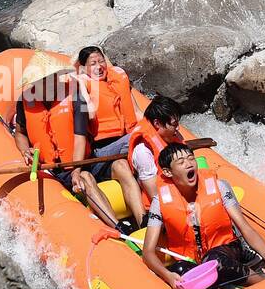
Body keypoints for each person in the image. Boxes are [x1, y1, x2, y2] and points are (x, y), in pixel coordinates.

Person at [142, 142, 265, 289]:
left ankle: (264, 285)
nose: (189, 164)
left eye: (190, 159)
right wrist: (167, 275)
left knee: (214, 260)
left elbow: (244, 227)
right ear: (168, 172)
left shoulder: (219, 186)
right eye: (181, 162)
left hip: (227, 249)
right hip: (192, 261)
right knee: (181, 271)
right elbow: (148, 252)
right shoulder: (160, 201)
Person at [12, 51, 122, 231]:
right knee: (86, 178)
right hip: (57, 169)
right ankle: (119, 229)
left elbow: (80, 137)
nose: (51, 82)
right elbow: (20, 133)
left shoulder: (74, 96)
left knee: (121, 166)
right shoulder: (25, 102)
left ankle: (144, 218)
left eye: (53, 77)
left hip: (84, 159)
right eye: (44, 79)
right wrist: (25, 150)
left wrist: (76, 170)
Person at [73, 45, 145, 223]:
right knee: (135, 136)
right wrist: (80, 80)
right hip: (102, 150)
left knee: (122, 166)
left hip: (120, 153)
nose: (99, 67)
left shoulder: (117, 81)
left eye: (101, 62)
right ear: (84, 68)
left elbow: (137, 113)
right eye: (93, 64)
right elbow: (89, 113)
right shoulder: (85, 85)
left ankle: (143, 220)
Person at [128, 95, 186, 202]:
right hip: (166, 204)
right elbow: (155, 195)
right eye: (174, 124)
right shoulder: (143, 152)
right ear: (157, 123)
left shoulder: (175, 135)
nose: (178, 128)